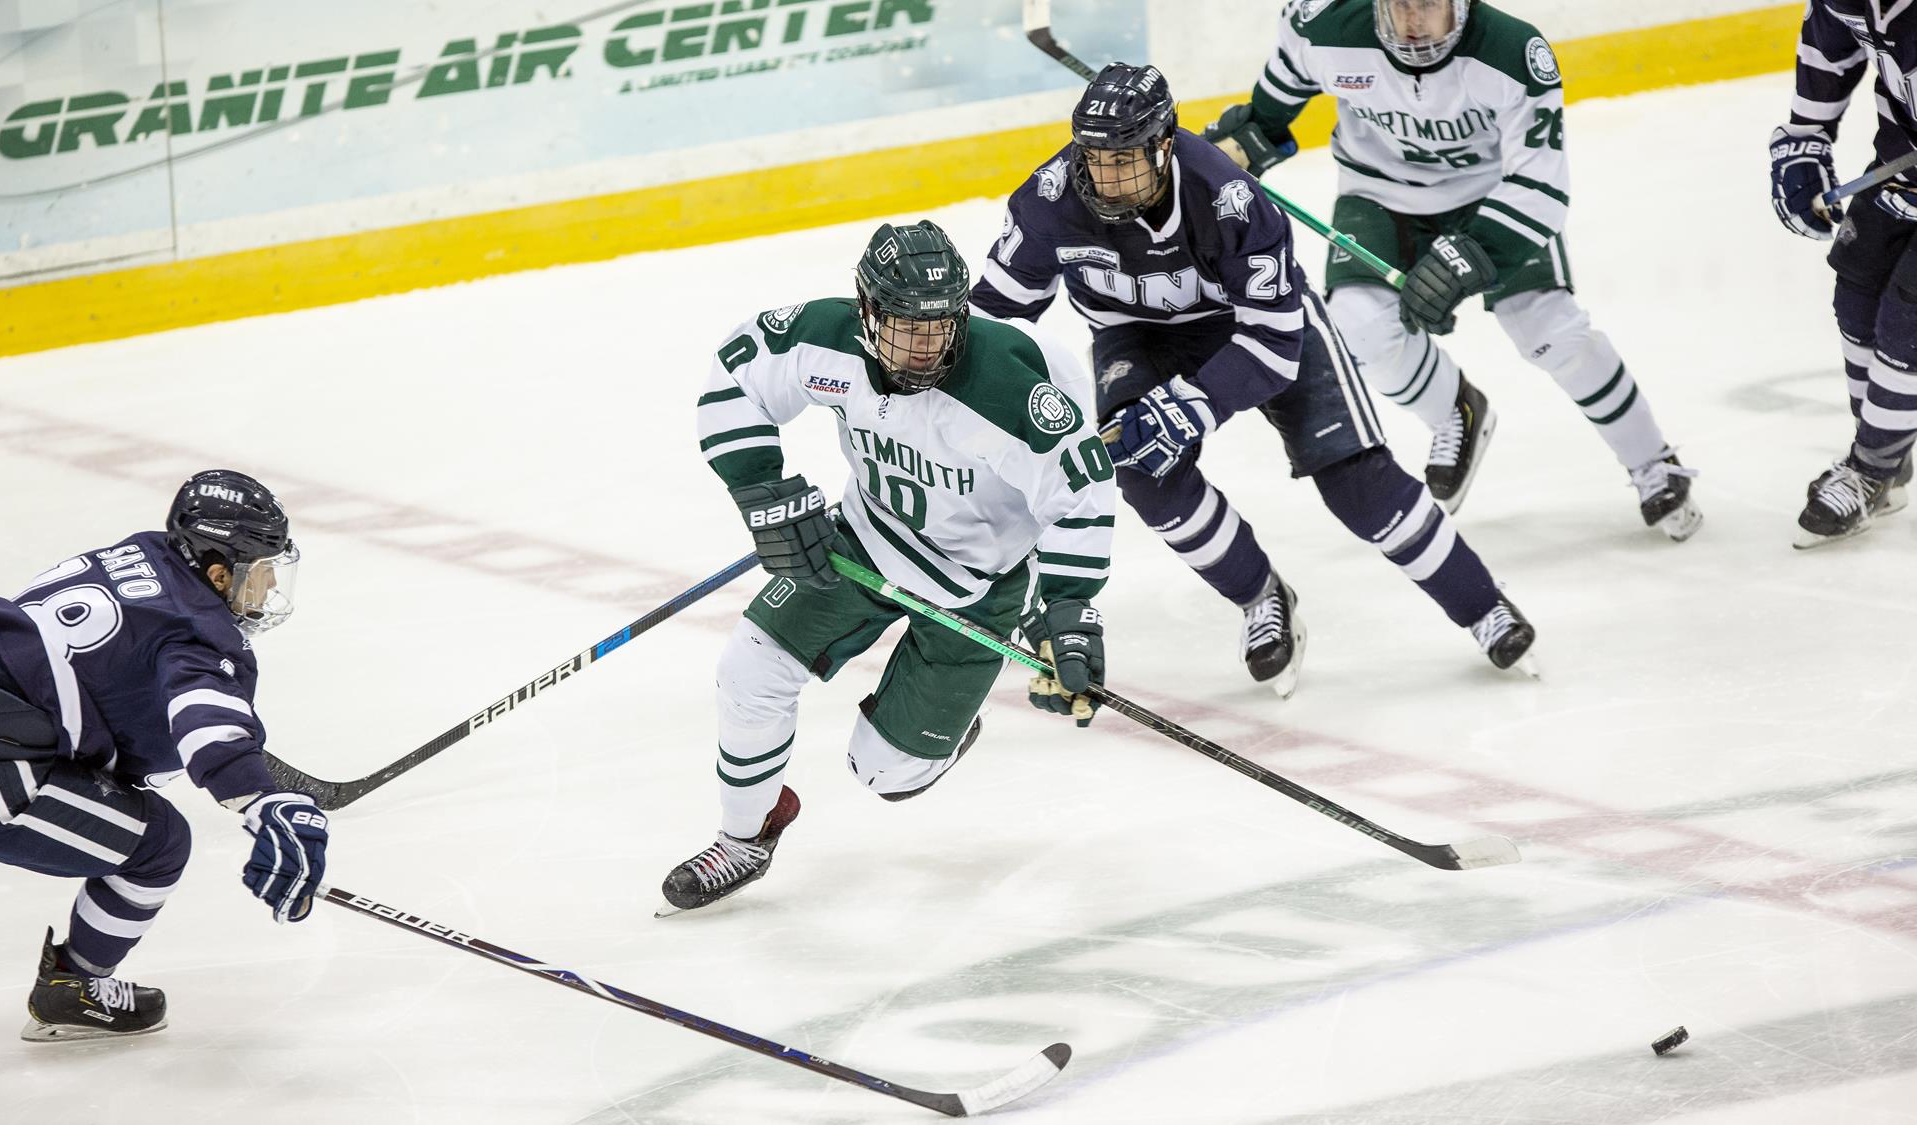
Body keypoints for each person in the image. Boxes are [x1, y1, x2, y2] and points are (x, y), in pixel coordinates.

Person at [972, 62, 1535, 700]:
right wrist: (977, 408)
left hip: (1256, 331)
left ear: (1163, 147)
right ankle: (1261, 596)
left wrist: (1189, 407)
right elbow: (994, 318)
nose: (1105, 175)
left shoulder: (1228, 199)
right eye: (1094, 158)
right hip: (1137, 337)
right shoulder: (1050, 201)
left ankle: (1480, 603)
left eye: (1124, 159)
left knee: (1359, 486)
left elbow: (1272, 342)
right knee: (1146, 477)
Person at [664, 220, 1116, 914]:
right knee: (749, 668)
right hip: (865, 541)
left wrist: (1068, 609)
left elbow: (1080, 493)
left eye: (941, 325)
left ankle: (944, 728)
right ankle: (744, 836)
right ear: (868, 312)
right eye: (907, 326)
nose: (928, 345)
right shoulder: (828, 338)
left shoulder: (1005, 389)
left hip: (976, 586)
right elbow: (735, 376)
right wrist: (764, 490)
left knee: (885, 773)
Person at [1205, 0, 1700, 539]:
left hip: (1491, 197)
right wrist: (1234, 148)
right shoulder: (1321, 25)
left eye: (1429, 6)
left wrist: (1467, 258)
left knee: (1552, 332)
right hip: (1378, 195)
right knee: (1357, 325)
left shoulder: (1514, 52)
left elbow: (1542, 188)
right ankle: (1454, 411)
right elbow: (1270, 110)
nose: (1414, 23)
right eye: (1400, 6)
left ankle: (1653, 460)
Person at [0, 470, 330, 1040]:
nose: (264, 591)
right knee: (159, 844)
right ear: (217, 571)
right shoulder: (197, 631)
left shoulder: (141, 553)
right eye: (258, 573)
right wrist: (262, 798)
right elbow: (203, 716)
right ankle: (74, 986)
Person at [1768, 0, 1917, 546]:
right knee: (1857, 291)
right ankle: (1887, 458)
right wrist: (1806, 135)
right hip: (1902, 163)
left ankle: (1870, 470)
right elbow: (1831, 45)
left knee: (1909, 321)